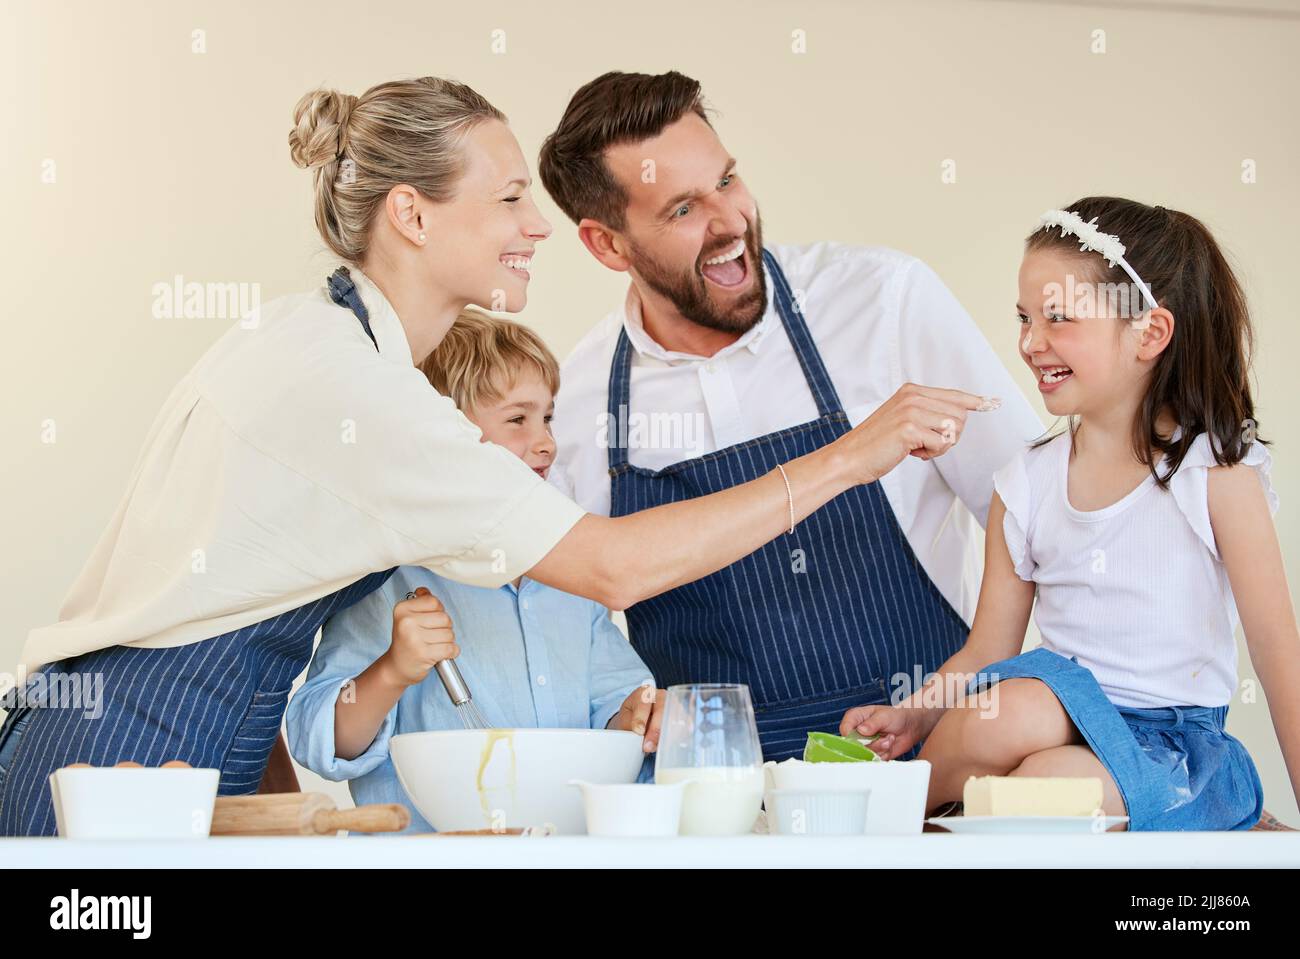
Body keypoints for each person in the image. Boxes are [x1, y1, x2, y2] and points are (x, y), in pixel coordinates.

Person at [0, 76, 991, 835]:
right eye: (511, 197)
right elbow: (612, 565)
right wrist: (849, 458)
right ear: (412, 215)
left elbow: (235, 615)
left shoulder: (316, 345)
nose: (535, 225)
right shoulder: (356, 389)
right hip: (122, 757)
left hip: (169, 754)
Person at [538, 70, 1044, 761]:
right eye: (682, 210)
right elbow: (567, 639)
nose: (729, 222)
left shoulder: (882, 303)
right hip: (711, 798)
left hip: (925, 766)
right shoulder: (575, 404)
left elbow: (1042, 524)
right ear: (607, 245)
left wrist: (972, 704)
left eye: (727, 181)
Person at [842, 197, 1300, 830]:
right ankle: (875, 820)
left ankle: (942, 817)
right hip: (1060, 711)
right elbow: (986, 649)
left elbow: (1279, 657)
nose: (1030, 343)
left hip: (1172, 748)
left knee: (1042, 784)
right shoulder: (1025, 483)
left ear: (1150, 334)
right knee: (1005, 713)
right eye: (1024, 318)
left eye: (1058, 318)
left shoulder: (1215, 476)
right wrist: (916, 714)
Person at [286, 315, 660, 833]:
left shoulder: (573, 584)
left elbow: (615, 715)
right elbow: (322, 740)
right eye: (518, 420)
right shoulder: (388, 579)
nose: (546, 443)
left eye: (548, 418)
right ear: (445, 437)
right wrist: (393, 670)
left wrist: (636, 716)